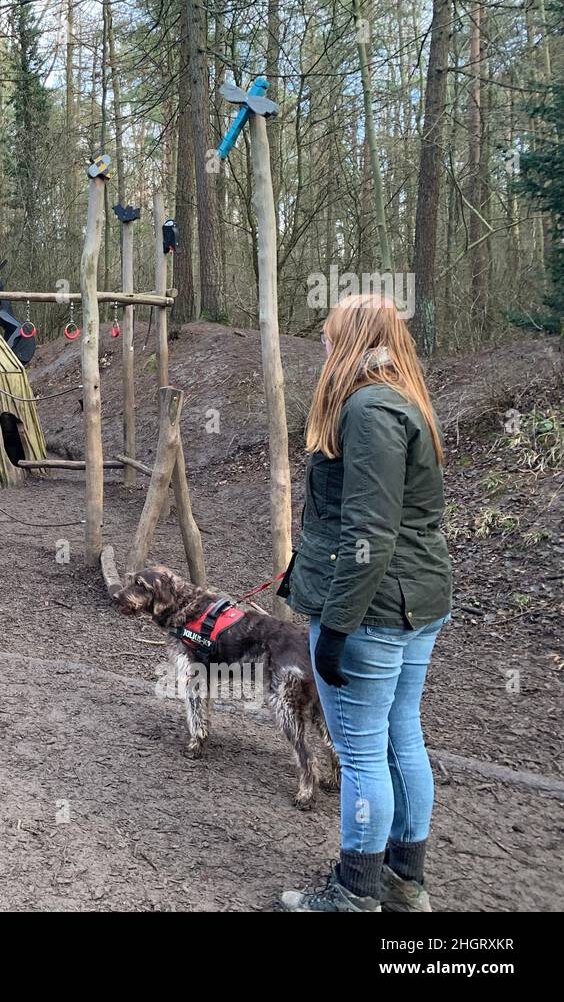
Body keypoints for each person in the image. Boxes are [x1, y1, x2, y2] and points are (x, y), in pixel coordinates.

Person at [277, 294, 452, 913]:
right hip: (413, 600)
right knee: (399, 736)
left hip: (377, 610)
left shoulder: (370, 408)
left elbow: (369, 535)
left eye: (328, 338)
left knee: (361, 750)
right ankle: (403, 882)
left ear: (349, 341)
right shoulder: (399, 397)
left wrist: (337, 628)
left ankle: (356, 892)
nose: (323, 349)